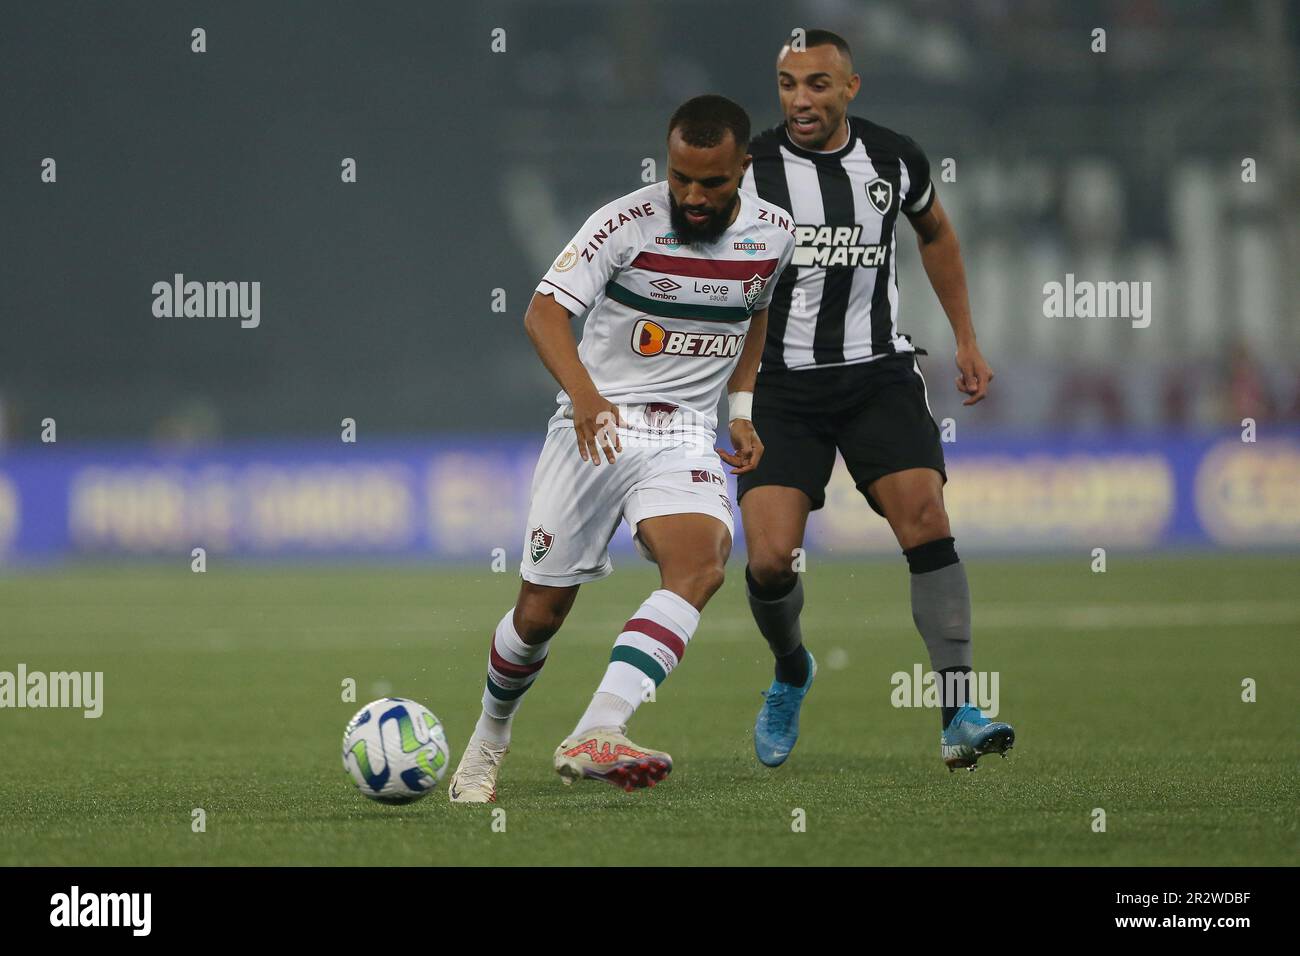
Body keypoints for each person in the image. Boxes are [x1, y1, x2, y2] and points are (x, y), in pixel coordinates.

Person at [449, 94, 796, 802]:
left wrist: (739, 408)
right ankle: (489, 737)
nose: (693, 197)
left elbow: (754, 310)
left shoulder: (775, 235)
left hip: (681, 432)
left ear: (743, 170)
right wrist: (585, 396)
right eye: (681, 180)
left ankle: (597, 728)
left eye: (713, 183)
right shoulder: (623, 222)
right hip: (595, 425)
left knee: (700, 565)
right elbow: (544, 312)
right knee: (539, 615)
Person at [739, 30, 1014, 771]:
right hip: (778, 387)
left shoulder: (893, 158)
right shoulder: (748, 169)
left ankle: (958, 712)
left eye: (818, 84)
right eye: (788, 82)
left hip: (876, 374)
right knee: (769, 560)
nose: (801, 99)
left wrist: (965, 338)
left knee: (925, 519)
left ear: (851, 88)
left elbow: (936, 234)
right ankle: (792, 668)